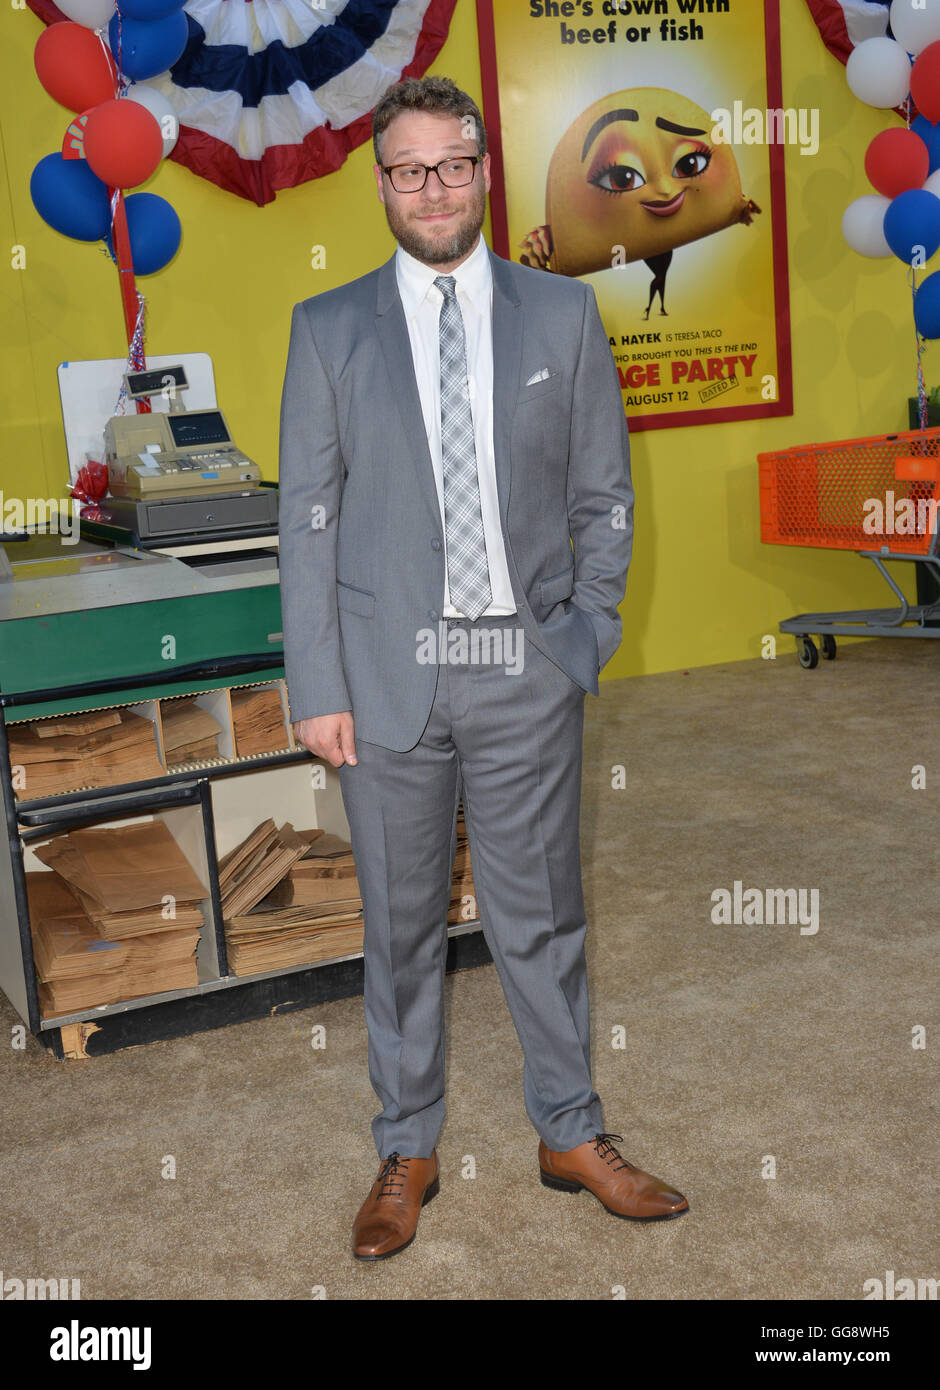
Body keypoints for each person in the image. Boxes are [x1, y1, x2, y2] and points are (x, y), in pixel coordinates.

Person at [277, 75, 688, 1262]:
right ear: (382, 183)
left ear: (482, 171)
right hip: (386, 673)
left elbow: (605, 498)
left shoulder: (561, 317)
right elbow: (306, 519)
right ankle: (406, 1142)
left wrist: (580, 641)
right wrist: (319, 684)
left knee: (542, 913)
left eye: (454, 164)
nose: (434, 188)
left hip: (523, 665)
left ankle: (568, 1129)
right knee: (401, 927)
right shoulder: (329, 329)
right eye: (408, 169)